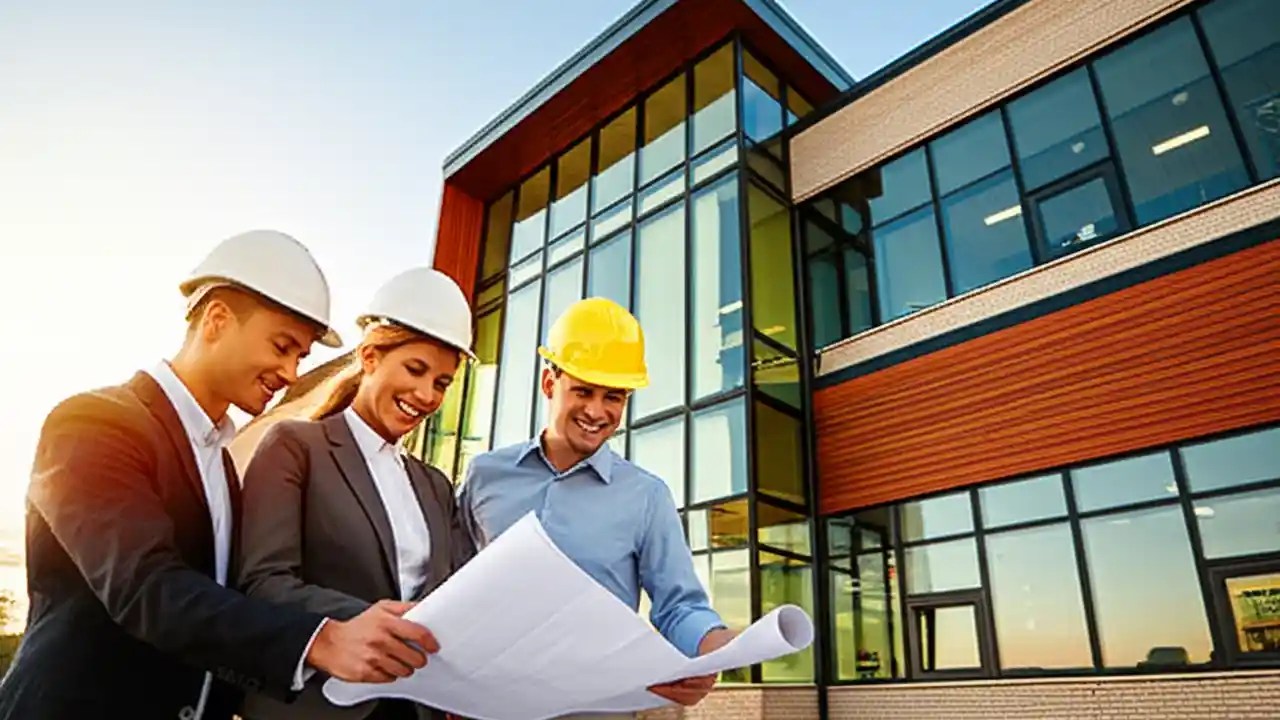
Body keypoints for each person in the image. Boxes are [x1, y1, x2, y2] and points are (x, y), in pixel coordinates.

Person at [0, 231, 438, 720]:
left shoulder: (222, 463)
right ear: (216, 321)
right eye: (282, 346)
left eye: (300, 356)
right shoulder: (95, 422)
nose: (291, 372)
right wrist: (320, 639)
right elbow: (145, 586)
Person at [458, 297, 738, 719]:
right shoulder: (484, 475)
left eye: (614, 397)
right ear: (549, 383)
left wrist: (712, 647)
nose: (596, 411)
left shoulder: (647, 497)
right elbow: (454, 585)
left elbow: (679, 605)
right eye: (583, 391)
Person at [235, 267, 477, 720]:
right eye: (415, 369)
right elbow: (262, 582)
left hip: (412, 709)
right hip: (316, 707)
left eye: (442, 383)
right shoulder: (296, 447)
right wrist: (373, 622)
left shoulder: (436, 486)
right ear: (369, 357)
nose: (426, 394)